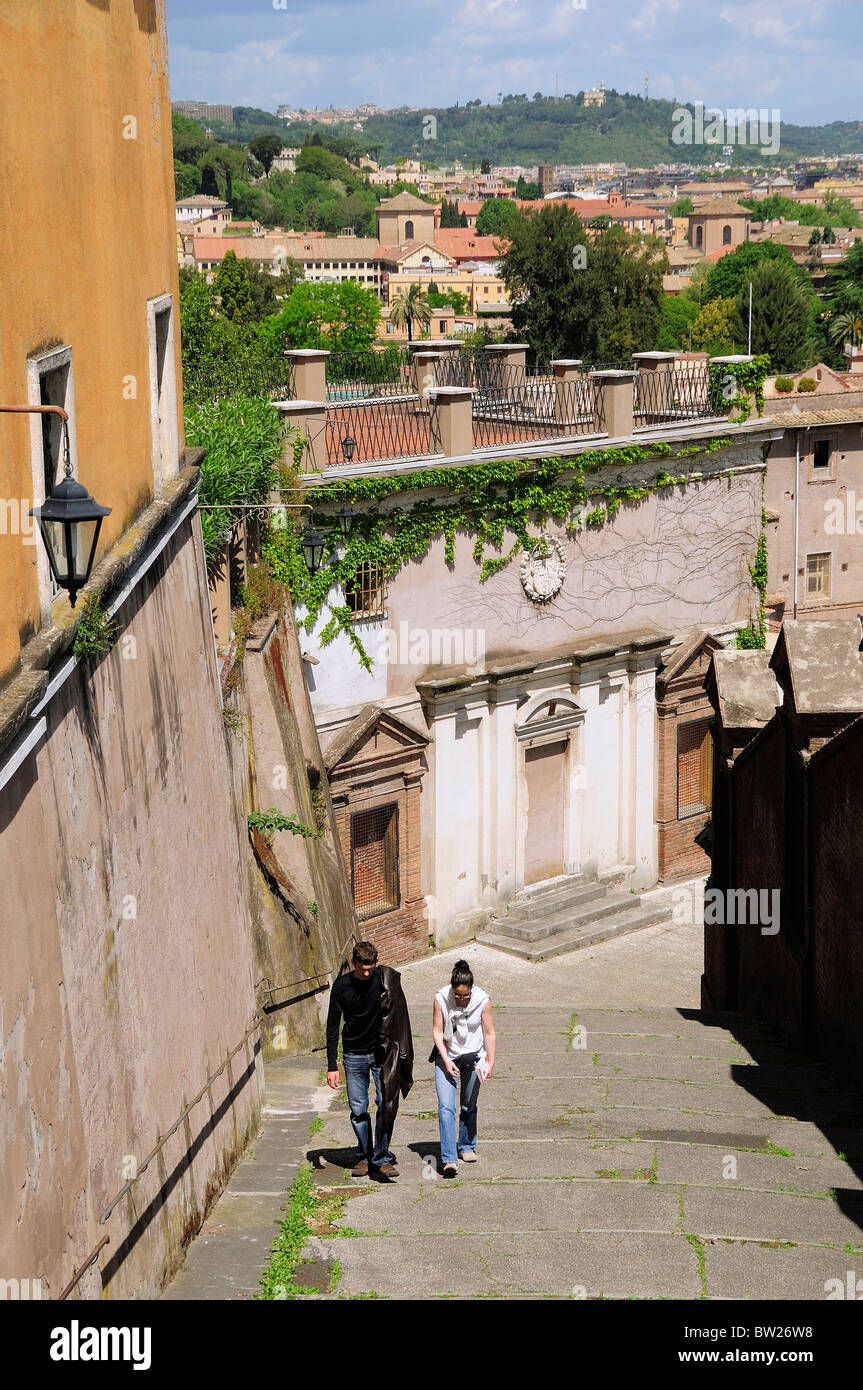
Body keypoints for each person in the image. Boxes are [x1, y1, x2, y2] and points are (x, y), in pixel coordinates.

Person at [326, 941, 412, 1180]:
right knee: (358, 1109)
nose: (366, 972)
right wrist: (332, 1065)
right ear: (354, 963)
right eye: (362, 968)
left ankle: (382, 1157)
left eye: (370, 967)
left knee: (386, 1102)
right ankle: (364, 1154)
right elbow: (333, 1026)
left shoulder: (383, 980)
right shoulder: (341, 986)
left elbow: (399, 1012)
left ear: (376, 963)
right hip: (353, 1054)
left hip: (380, 1053)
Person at [431, 959, 495, 1178]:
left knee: (468, 1105)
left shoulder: (482, 1000)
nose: (460, 1000)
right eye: (457, 995)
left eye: (465, 996)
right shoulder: (440, 998)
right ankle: (449, 1159)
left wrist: (491, 1062)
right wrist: (445, 1059)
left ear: (472, 990)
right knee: (446, 1107)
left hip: (474, 1057)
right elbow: (437, 1031)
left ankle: (466, 1146)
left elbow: (489, 1033)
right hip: (447, 1056)